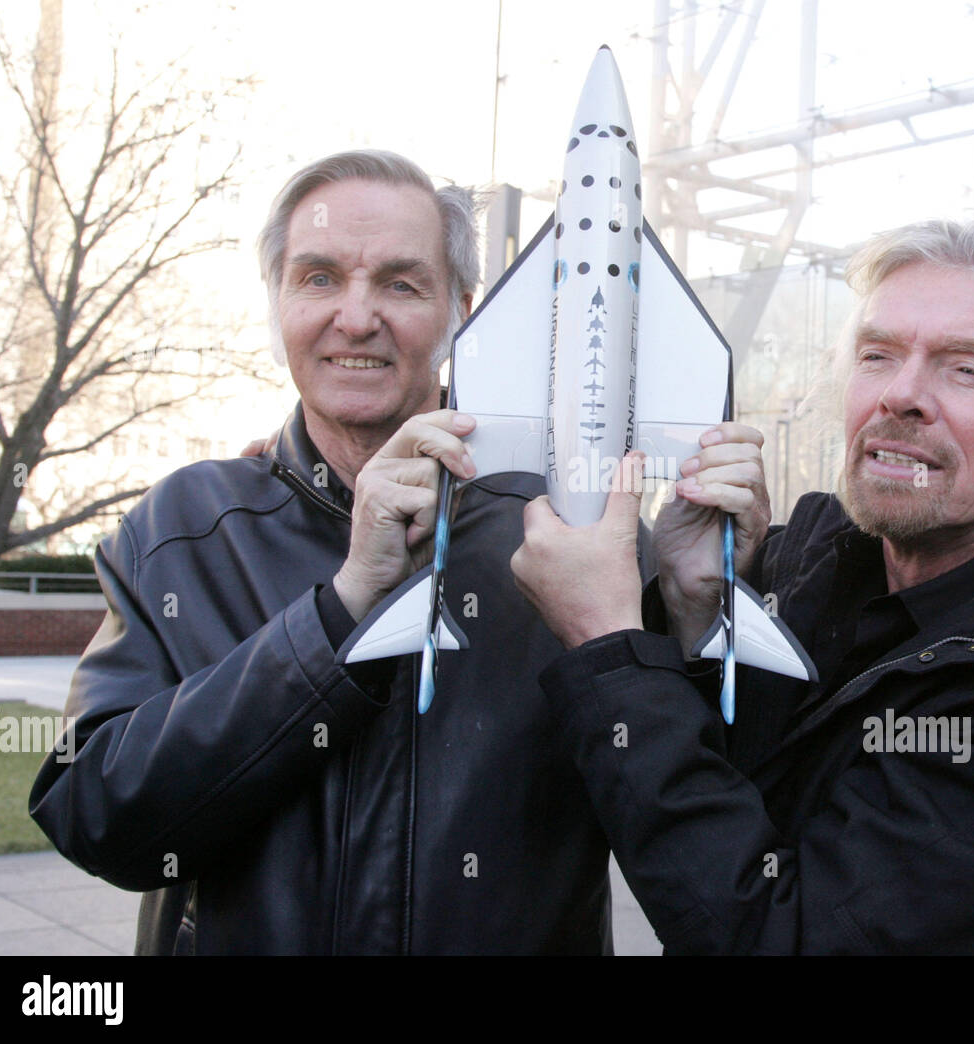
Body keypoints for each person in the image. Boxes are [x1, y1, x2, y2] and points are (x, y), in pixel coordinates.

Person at [510, 212, 974, 954]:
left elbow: (780, 934)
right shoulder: (811, 572)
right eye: (877, 355)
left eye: (966, 367)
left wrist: (607, 644)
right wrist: (695, 607)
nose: (899, 395)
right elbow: (736, 807)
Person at [30, 150, 619, 954]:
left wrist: (710, 599)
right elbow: (93, 815)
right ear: (278, 305)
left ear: (463, 313)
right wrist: (340, 610)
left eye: (401, 284)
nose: (355, 316)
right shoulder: (184, 528)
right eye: (317, 278)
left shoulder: (568, 530)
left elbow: (699, 794)